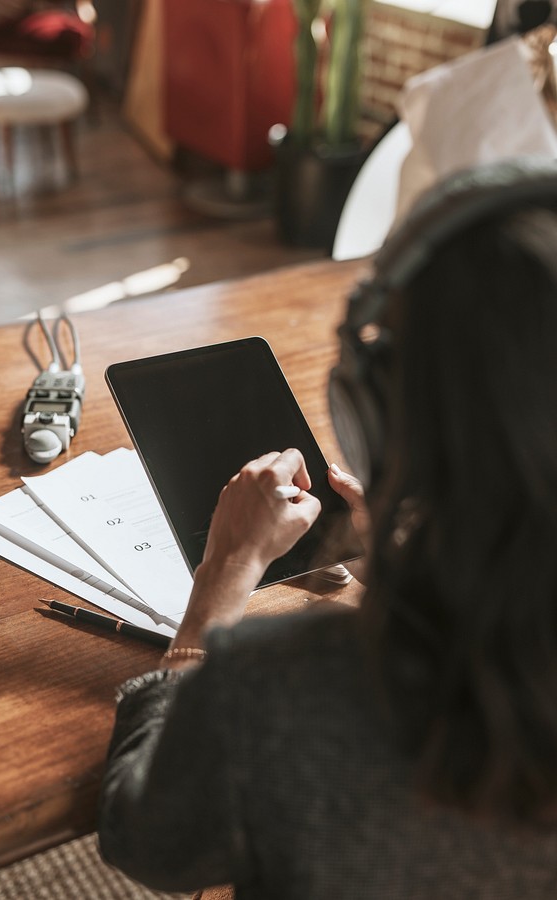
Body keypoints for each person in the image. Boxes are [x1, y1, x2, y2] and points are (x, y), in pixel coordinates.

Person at [97, 158, 557, 898]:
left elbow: (146, 839)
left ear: (367, 412)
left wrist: (219, 586)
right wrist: (408, 558)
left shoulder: (278, 683)